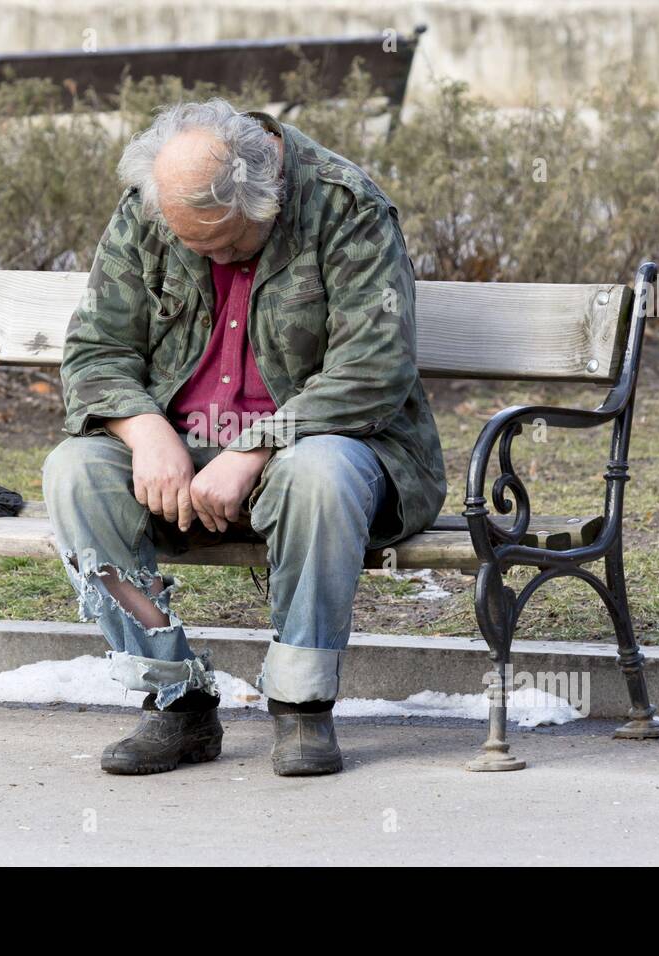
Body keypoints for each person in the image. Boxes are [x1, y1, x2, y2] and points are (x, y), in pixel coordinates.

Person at [42, 99, 445, 776]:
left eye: (226, 245)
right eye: (192, 242)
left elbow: (374, 372)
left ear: (269, 198)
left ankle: (301, 706)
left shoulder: (347, 208)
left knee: (316, 472)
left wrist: (255, 446)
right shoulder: (151, 207)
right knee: (73, 471)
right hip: (181, 448)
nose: (208, 256)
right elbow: (94, 353)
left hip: (328, 449)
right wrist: (146, 434)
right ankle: (174, 703)